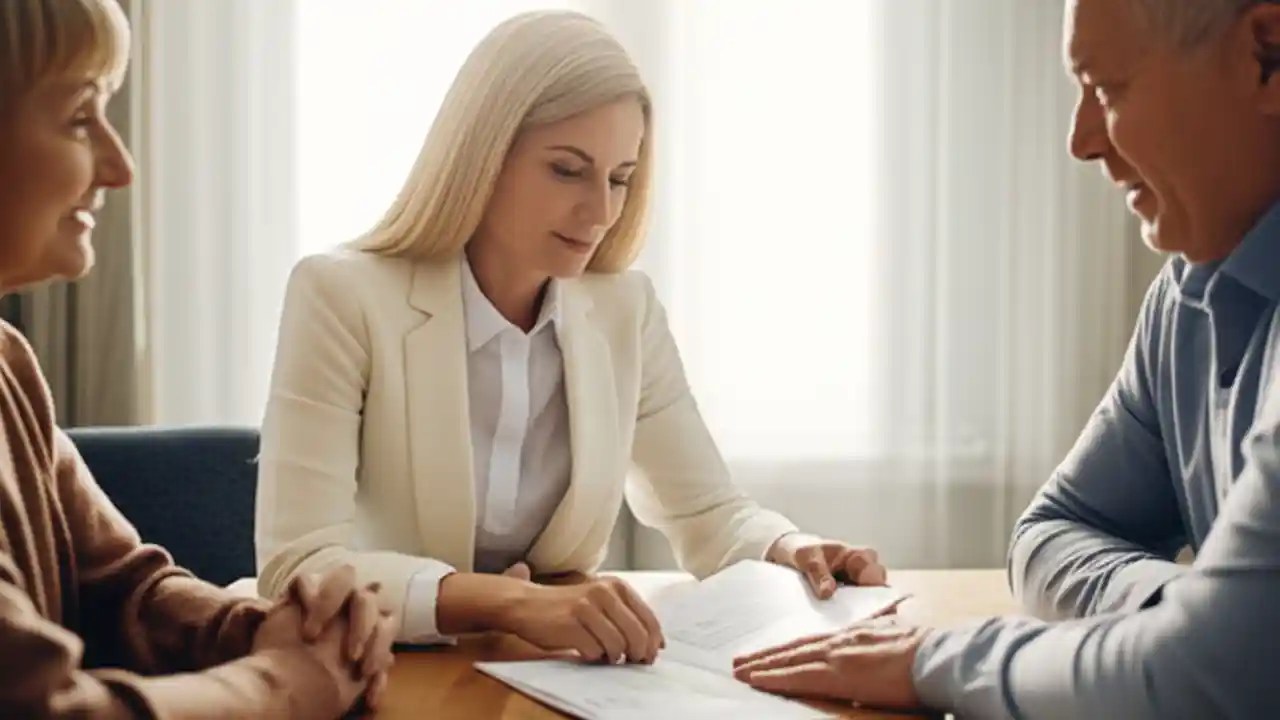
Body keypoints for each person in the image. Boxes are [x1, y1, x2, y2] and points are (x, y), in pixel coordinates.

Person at [255, 9, 887, 667]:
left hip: (559, 677)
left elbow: (708, 514)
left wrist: (792, 549)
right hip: (384, 670)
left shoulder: (624, 309)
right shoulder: (340, 296)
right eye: (566, 170)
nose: (603, 212)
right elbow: (299, 566)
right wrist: (510, 604)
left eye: (619, 178)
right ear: (483, 154)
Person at [733, 0, 1280, 716]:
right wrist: (1189, 609)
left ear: (1267, 55)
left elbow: (1209, 676)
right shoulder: (1188, 300)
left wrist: (936, 659)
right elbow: (1053, 533)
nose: (1080, 141)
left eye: (1108, 89)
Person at [0, 1, 397, 717]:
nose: (119, 168)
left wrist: (264, 632)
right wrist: (286, 684)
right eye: (81, 119)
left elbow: (125, 591)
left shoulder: (8, 365)